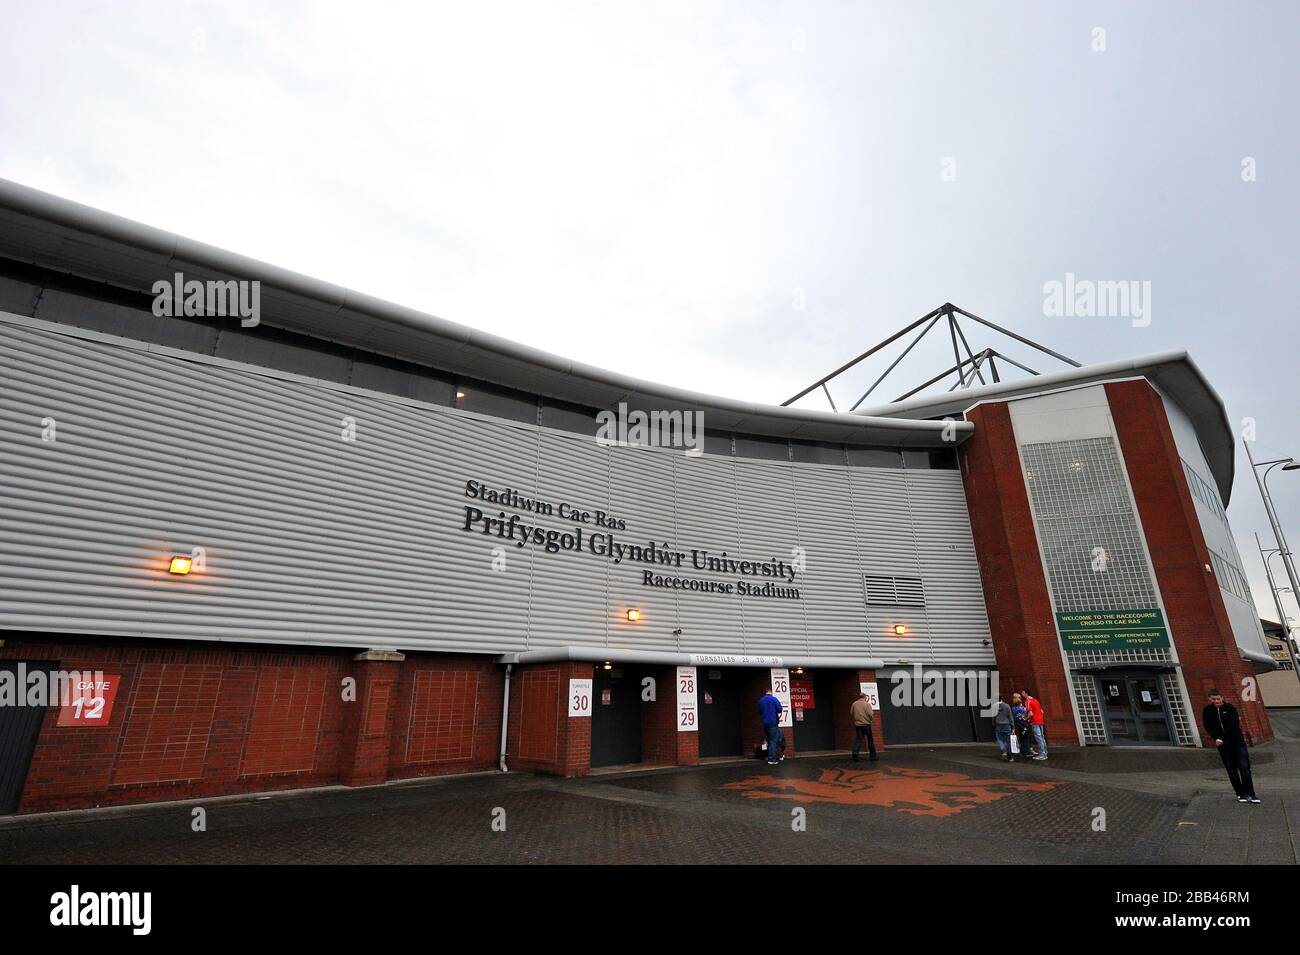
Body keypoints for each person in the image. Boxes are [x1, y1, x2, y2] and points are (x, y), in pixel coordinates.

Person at [1202, 689, 1259, 803]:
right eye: (1214, 699)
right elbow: (1208, 726)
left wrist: (1221, 738)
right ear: (1210, 699)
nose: (1217, 701)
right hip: (1223, 746)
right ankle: (1240, 794)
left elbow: (1233, 726)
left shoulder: (1230, 709)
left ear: (1222, 697)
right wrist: (1215, 738)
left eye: (1218, 698)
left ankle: (1251, 794)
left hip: (1237, 743)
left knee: (1244, 768)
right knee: (1231, 771)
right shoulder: (1207, 711)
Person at [757, 687, 785, 765]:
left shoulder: (761, 700)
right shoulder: (774, 699)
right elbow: (779, 709)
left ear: (765, 692)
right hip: (773, 723)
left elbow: (759, 711)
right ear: (771, 692)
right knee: (773, 740)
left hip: (764, 723)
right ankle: (772, 759)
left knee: (768, 740)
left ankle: (770, 756)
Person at [850, 691, 877, 762]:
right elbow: (870, 714)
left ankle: (855, 753)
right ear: (865, 697)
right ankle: (873, 757)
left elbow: (851, 713)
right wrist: (871, 720)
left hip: (858, 725)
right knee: (870, 741)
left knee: (858, 740)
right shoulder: (867, 704)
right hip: (866, 725)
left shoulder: (854, 704)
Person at [1022, 687, 1048, 760]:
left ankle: (1042, 754)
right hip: (1040, 721)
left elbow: (1030, 714)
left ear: (1025, 693)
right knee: (1042, 737)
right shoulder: (1035, 700)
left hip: (1035, 721)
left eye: (1022, 692)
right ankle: (1045, 753)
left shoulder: (1027, 701)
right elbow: (1042, 711)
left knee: (1038, 738)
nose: (1022, 694)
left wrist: (1025, 718)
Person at [993, 696, 1017, 761]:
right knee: (1009, 741)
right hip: (1007, 725)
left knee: (1000, 740)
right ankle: (1011, 756)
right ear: (1002, 698)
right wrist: (1013, 726)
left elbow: (993, 717)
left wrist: (994, 724)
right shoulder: (1007, 706)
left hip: (998, 725)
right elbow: (1010, 717)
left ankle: (1004, 752)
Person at [1011, 693, 1033, 759]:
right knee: (1026, 739)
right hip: (1025, 725)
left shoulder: (1013, 709)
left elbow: (1014, 718)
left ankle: (1022, 751)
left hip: (1019, 725)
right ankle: (1027, 752)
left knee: (1022, 738)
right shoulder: (1023, 709)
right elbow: (1029, 715)